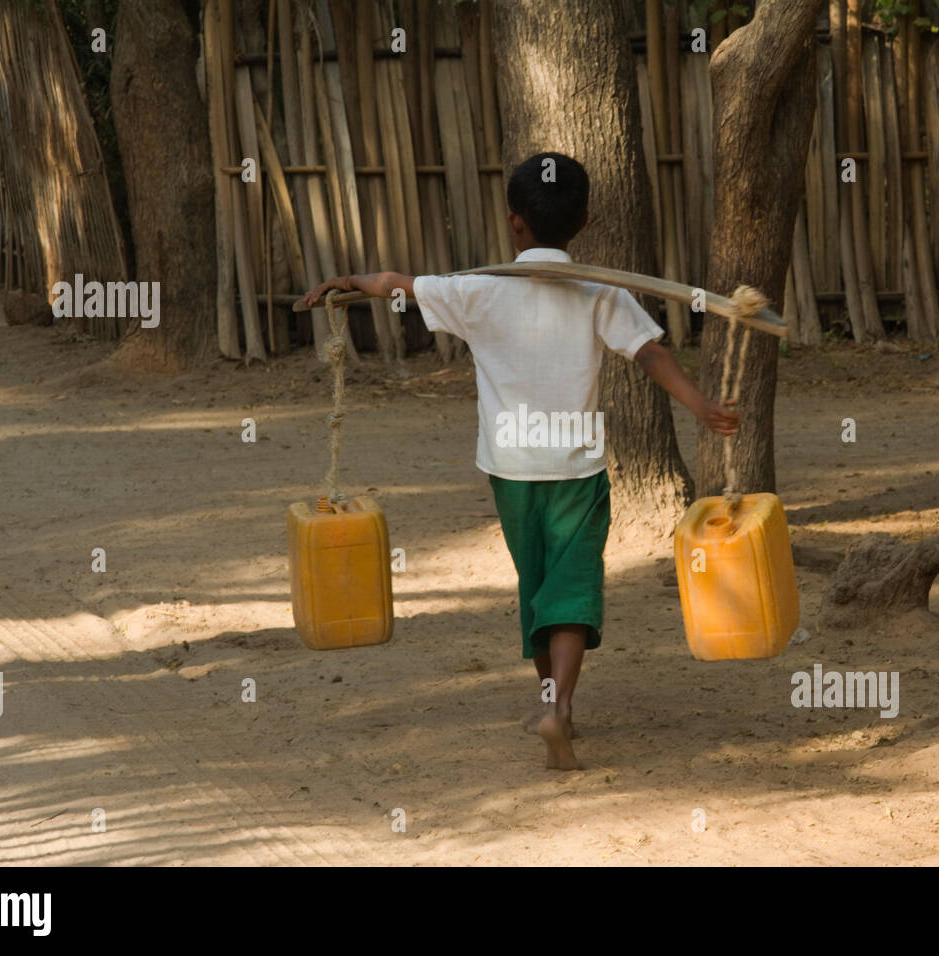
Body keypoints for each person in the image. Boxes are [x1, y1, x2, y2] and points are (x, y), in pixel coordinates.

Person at [304, 152, 739, 770]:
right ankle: (558, 709)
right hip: (576, 469)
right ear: (584, 221)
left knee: (537, 591)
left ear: (515, 223)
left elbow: (397, 284)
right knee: (572, 589)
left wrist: (347, 281)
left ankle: (552, 704)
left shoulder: (477, 291)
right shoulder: (598, 290)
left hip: (510, 470)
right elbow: (651, 356)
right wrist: (703, 408)